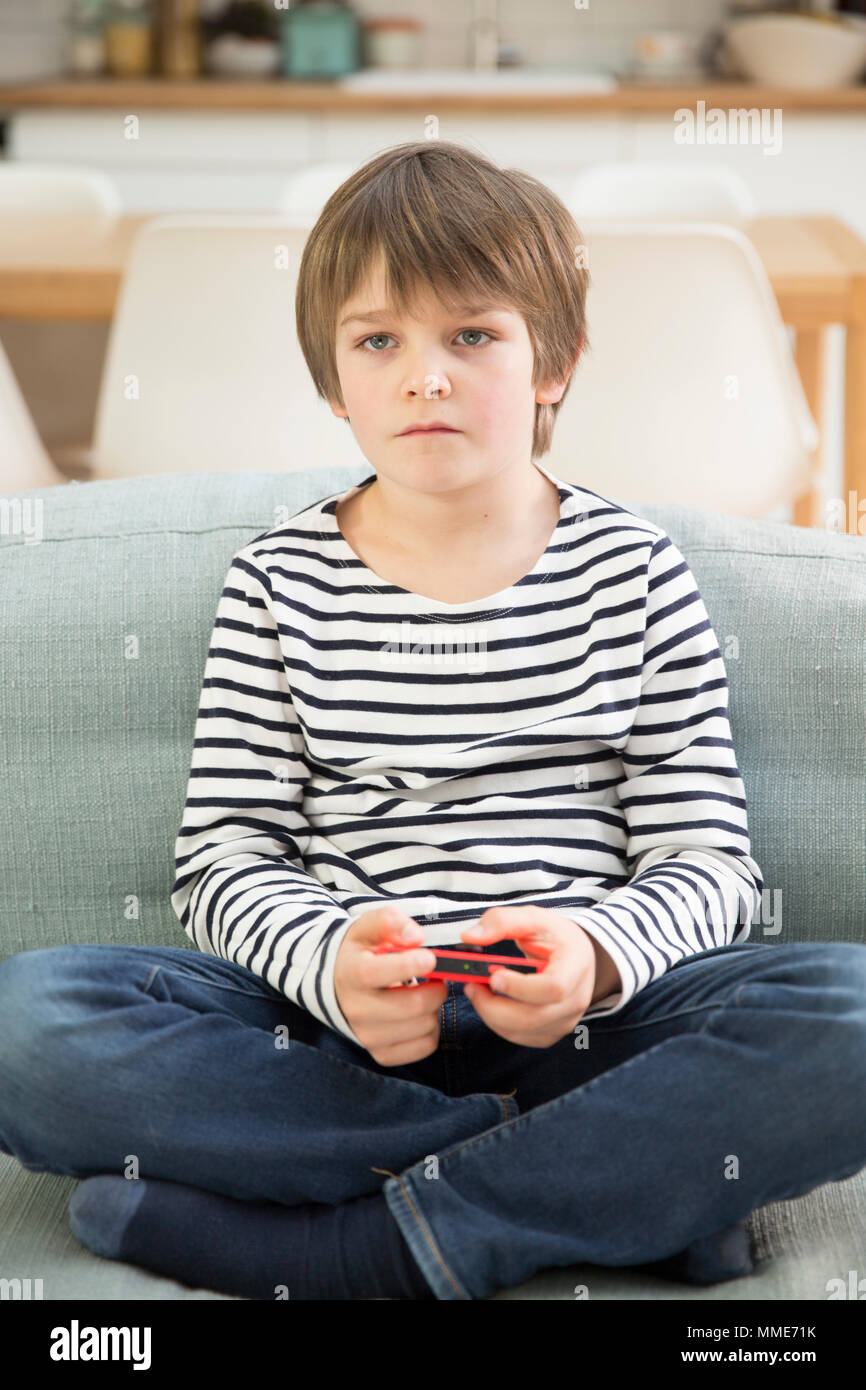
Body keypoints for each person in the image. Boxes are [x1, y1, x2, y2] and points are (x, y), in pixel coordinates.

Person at [1, 140, 865, 1303]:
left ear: (550, 362)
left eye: (472, 336)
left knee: (850, 1016)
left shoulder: (635, 570)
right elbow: (223, 859)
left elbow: (705, 862)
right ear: (332, 379)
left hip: (587, 1038)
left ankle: (358, 1242)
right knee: (32, 1023)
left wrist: (596, 956)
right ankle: (611, 1194)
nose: (424, 377)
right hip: (333, 1038)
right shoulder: (277, 580)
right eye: (378, 342)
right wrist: (328, 960)